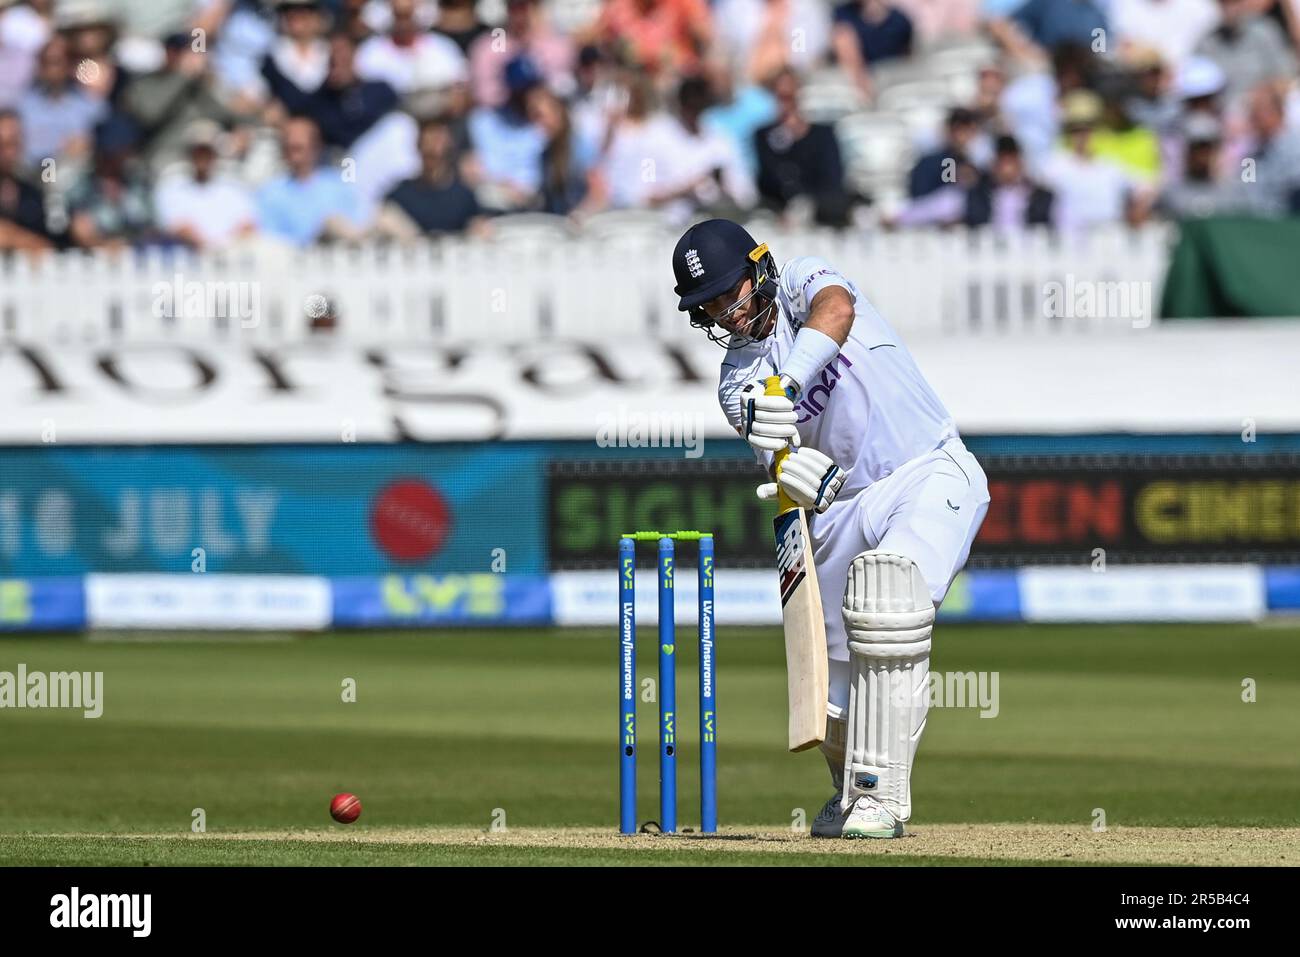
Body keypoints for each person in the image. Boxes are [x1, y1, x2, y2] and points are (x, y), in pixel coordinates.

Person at [670, 218, 989, 838]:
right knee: (832, 689)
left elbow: (836, 310)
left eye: (728, 292)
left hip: (926, 469)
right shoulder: (735, 382)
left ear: (758, 268)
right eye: (706, 306)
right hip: (839, 509)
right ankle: (848, 790)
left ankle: (880, 798)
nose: (723, 313)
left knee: (890, 600)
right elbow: (779, 462)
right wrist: (795, 476)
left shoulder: (800, 279)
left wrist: (787, 383)